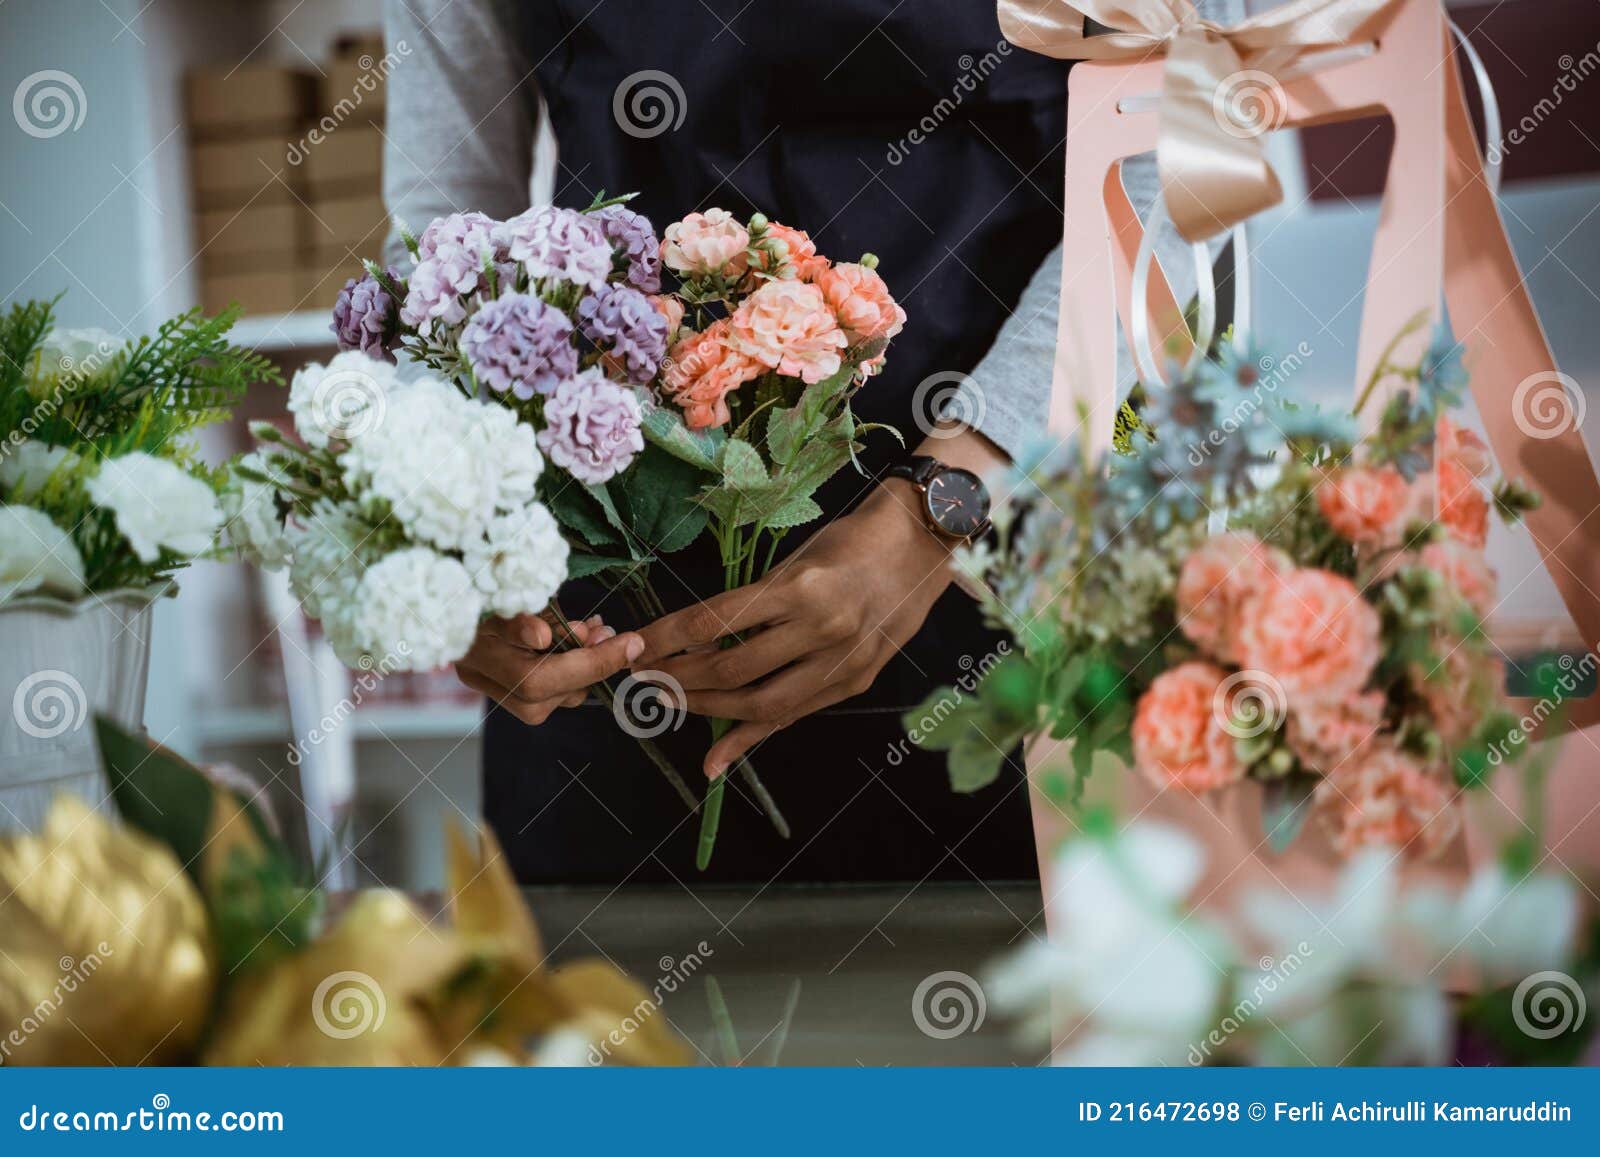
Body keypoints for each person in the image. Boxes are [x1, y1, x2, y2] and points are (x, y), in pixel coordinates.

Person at [384, 0, 1227, 883]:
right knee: (606, 1005)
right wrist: (457, 544)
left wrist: (938, 512)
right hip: (620, 611)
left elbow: (1172, 168)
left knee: (1037, 989)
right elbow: (441, 231)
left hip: (1008, 561)